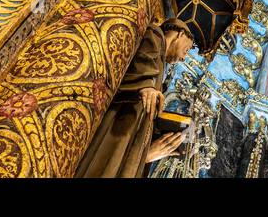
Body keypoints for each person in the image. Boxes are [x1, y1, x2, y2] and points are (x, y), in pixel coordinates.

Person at [77, 17, 195, 178]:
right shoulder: (155, 34)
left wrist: (145, 154)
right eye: (187, 50)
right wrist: (145, 84)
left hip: (130, 131)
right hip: (121, 121)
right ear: (180, 34)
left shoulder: (161, 65)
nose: (183, 58)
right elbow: (139, 59)